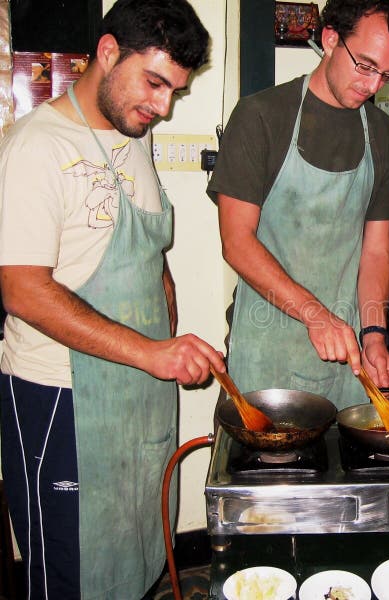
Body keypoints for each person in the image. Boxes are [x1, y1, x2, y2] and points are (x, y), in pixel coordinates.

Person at [0, 1, 225, 597]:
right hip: (62, 403)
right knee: (71, 574)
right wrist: (151, 352)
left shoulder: (132, 137)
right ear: (106, 52)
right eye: (154, 83)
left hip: (137, 395)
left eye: (174, 92)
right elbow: (23, 290)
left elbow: (149, 253)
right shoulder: (35, 147)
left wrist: (169, 331)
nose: (162, 107)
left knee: (136, 555)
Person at [208, 0, 389, 406]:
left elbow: (376, 251)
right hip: (267, 350)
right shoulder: (261, 117)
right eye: (365, 66)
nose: (374, 86)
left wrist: (374, 336)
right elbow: (236, 242)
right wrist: (315, 314)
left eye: (387, 74)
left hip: (348, 358)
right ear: (330, 38)